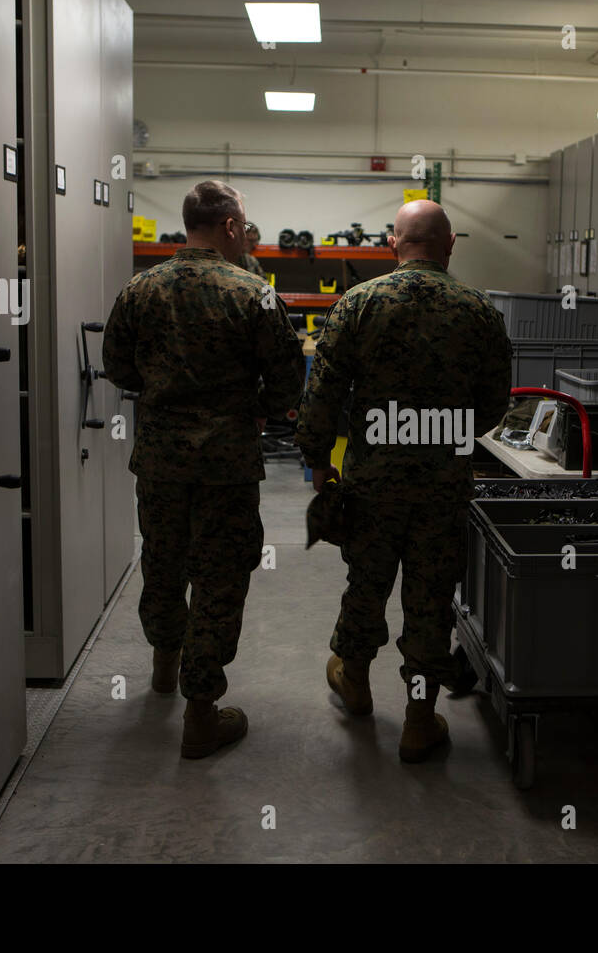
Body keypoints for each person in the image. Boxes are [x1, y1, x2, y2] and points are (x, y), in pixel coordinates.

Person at [295, 199, 512, 763]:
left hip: (373, 481)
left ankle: (356, 681)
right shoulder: (478, 310)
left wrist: (318, 458)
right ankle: (419, 719)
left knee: (367, 583)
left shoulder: (359, 303)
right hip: (443, 484)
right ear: (451, 244)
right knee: (430, 599)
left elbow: (322, 391)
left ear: (394, 242)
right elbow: (494, 405)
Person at [103, 180, 303, 759]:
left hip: (161, 461)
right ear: (232, 227)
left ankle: (165, 665)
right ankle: (200, 712)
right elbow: (289, 380)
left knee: (162, 561)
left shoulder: (141, 289)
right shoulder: (254, 293)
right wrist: (252, 409)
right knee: (218, 576)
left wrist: (164, 397)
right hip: (227, 463)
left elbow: (117, 367)